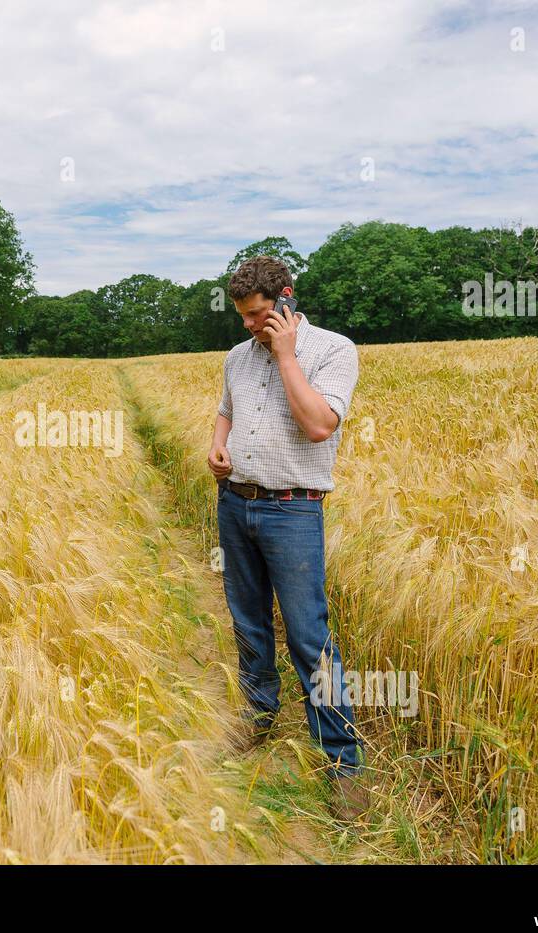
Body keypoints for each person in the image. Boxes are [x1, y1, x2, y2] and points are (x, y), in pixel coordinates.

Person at [207, 255, 370, 821]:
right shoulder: (235, 357)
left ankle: (343, 764)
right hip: (236, 504)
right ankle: (259, 719)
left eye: (257, 315)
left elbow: (319, 424)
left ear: (285, 298)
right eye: (243, 317)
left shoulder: (333, 350)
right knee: (247, 621)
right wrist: (217, 445)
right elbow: (226, 411)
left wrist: (283, 354)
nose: (249, 326)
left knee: (309, 637)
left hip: (293, 513)